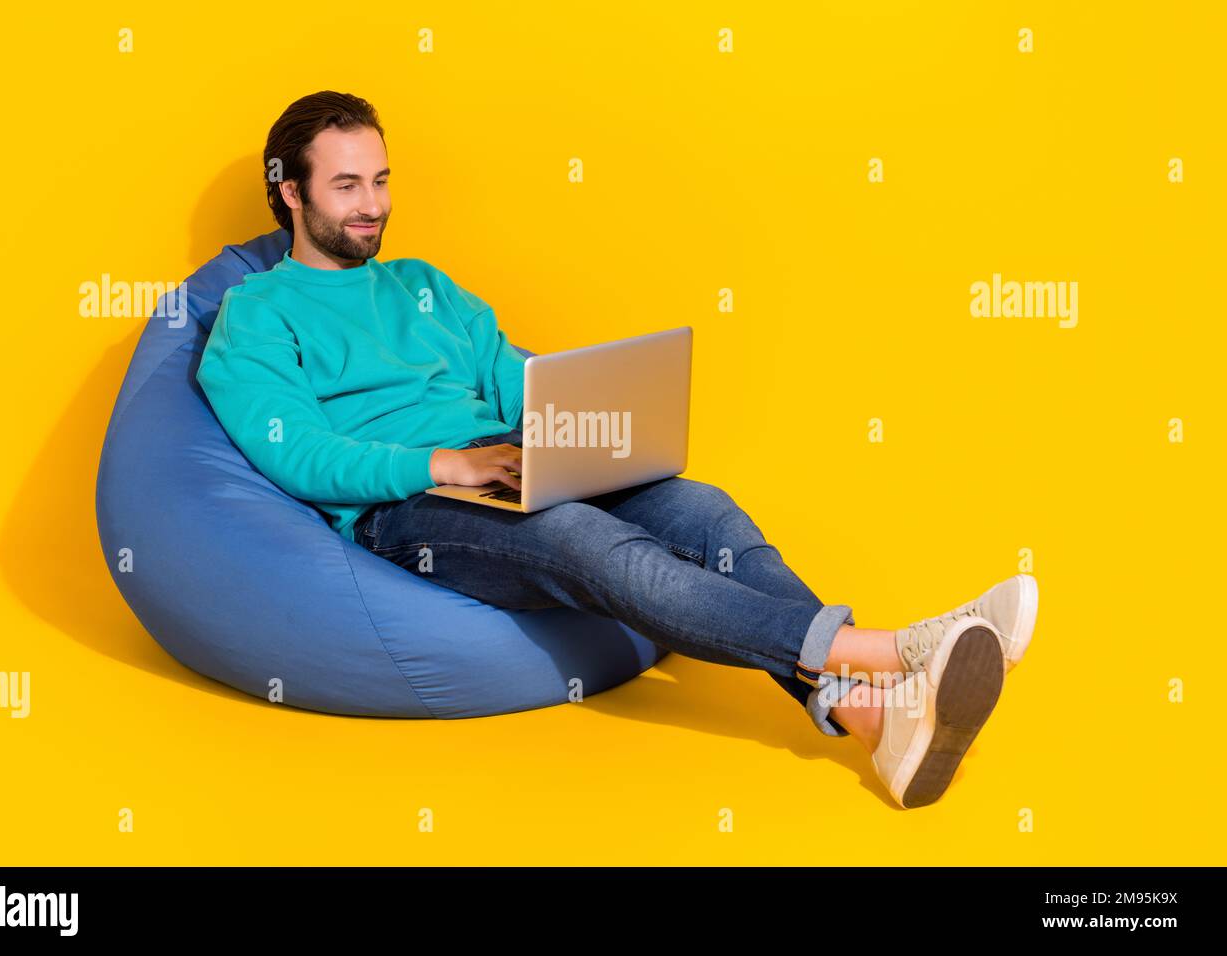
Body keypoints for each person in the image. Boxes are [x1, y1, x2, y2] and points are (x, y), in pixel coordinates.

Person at [197, 91, 1040, 809]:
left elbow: (508, 375)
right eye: (345, 185)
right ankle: (900, 650)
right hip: (409, 508)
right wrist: (442, 466)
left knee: (703, 508)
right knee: (582, 542)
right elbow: (292, 450)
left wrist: (585, 419)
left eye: (380, 180)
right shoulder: (258, 313)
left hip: (511, 460)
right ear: (290, 193)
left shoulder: (423, 284)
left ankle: (874, 721)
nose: (371, 204)